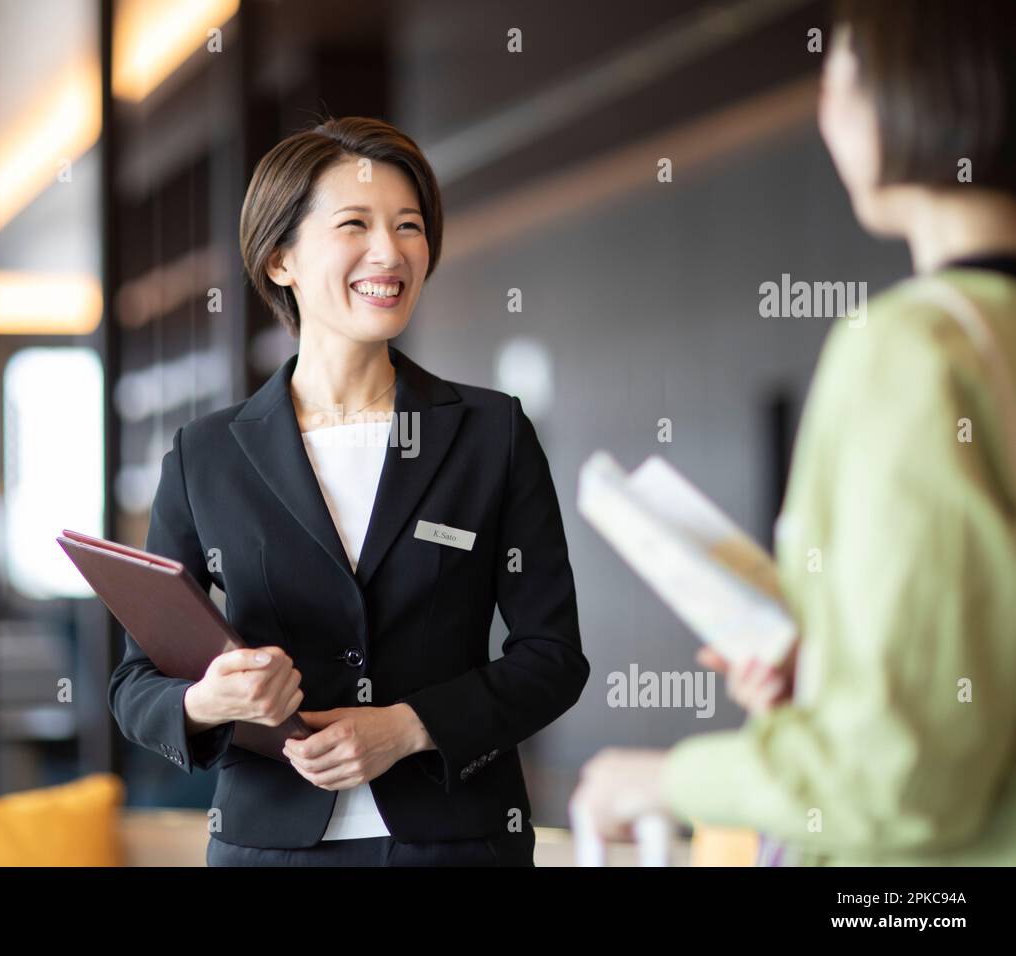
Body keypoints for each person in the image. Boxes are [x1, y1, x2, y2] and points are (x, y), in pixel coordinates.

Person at [574, 0, 1016, 865]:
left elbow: (896, 777)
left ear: (914, 92)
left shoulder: (912, 349)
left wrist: (661, 780)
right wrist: (829, 672)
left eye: (837, 75)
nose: (827, 110)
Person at [109, 116, 589, 866]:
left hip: (456, 843)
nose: (390, 252)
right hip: (267, 848)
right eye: (355, 225)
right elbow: (136, 684)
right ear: (280, 260)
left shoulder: (492, 434)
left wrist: (408, 726)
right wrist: (210, 701)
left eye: (408, 226)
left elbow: (552, 657)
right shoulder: (205, 456)